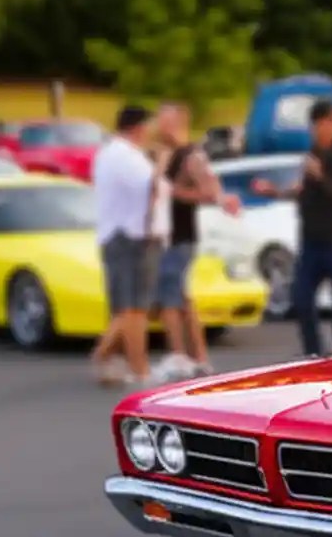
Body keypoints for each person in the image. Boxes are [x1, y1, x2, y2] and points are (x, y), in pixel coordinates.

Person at [252, 99, 332, 357]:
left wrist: (319, 175)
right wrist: (274, 192)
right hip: (310, 240)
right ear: (319, 124)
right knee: (302, 298)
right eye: (331, 122)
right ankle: (313, 351)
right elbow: (302, 192)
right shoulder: (311, 156)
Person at [152, 102, 241, 380]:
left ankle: (180, 357)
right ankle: (199, 358)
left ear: (178, 122)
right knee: (181, 298)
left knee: (169, 298)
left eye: (164, 121)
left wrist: (178, 193)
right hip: (171, 236)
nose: (158, 126)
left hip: (180, 237)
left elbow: (208, 188)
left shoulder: (191, 155)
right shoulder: (171, 154)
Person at [89, 104, 158, 386]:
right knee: (134, 309)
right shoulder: (125, 156)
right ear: (138, 127)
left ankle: (107, 357)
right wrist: (163, 162)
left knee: (127, 307)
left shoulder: (110, 153)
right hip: (127, 235)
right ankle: (136, 367)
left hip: (118, 233)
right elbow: (150, 186)